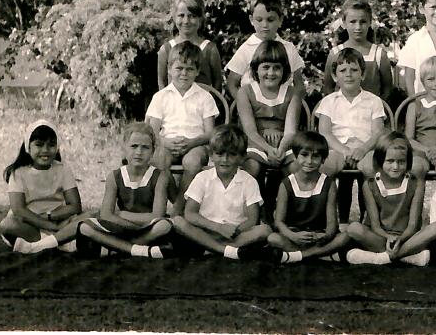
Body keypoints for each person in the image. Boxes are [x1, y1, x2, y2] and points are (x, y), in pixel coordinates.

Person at [170, 124, 272, 259]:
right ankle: (224, 250)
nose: (225, 160)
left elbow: (252, 219)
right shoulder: (202, 177)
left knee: (265, 230)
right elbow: (190, 213)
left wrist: (233, 231)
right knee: (178, 221)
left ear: (242, 157)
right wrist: (217, 228)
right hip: (206, 230)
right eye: (220, 154)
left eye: (231, 155)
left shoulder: (249, 181)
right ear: (211, 155)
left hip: (234, 233)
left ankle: (209, 248)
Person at [77, 122, 172, 258]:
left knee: (164, 225)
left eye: (145, 147)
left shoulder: (159, 177)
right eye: (134, 146)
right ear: (124, 149)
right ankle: (137, 249)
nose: (139, 152)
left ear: (152, 151)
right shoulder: (115, 176)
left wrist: (123, 215)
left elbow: (157, 215)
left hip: (147, 227)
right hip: (121, 227)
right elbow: (106, 214)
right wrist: (126, 224)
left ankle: (120, 247)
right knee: (84, 227)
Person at [145, 40, 218, 215]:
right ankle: (176, 200)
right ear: (169, 69)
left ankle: (177, 210)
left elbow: (210, 133)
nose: (184, 73)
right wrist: (166, 143)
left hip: (196, 145)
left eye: (190, 69)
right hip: (166, 143)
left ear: (197, 71)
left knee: (192, 162)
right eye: (179, 68)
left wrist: (192, 142)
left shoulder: (205, 97)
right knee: (158, 160)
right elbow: (152, 132)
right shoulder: (160, 97)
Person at [344, 132, 430, 266]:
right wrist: (388, 238)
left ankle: (381, 258)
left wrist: (400, 239)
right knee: (354, 228)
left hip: (407, 237)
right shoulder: (370, 185)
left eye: (401, 162)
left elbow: (413, 225)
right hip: (380, 237)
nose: (395, 167)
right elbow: (375, 226)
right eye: (390, 161)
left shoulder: (416, 183)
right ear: (380, 160)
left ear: (408, 162)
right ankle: (407, 256)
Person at [0, 120, 85, 254]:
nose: (45, 150)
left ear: (57, 147)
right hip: (31, 223)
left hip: (59, 220)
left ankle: (42, 244)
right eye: (39, 145)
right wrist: (49, 226)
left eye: (51, 145)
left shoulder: (63, 169)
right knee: (8, 225)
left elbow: (75, 206)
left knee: (92, 217)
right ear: (28, 147)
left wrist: (50, 217)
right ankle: (59, 242)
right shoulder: (18, 173)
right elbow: (19, 210)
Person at [267, 131, 351, 263]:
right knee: (273, 238)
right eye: (304, 155)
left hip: (319, 235)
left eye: (316, 156)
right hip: (295, 235)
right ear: (295, 156)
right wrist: (293, 236)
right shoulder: (286, 184)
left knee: (345, 237)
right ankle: (323, 255)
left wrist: (324, 236)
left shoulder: (328, 184)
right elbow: (279, 222)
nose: (309, 161)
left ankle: (298, 256)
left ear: (323, 159)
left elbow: (332, 223)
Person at [314, 47, 388, 179]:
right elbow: (325, 132)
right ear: (335, 76)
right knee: (325, 165)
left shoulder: (374, 101)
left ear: (363, 74)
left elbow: (378, 133)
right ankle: (329, 198)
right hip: (337, 150)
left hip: (366, 149)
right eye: (343, 70)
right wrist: (345, 151)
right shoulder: (328, 101)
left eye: (354, 70)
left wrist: (363, 150)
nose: (348, 74)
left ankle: (368, 198)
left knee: (372, 166)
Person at [235, 39, 303, 181]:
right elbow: (250, 130)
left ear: (284, 70)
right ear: (256, 69)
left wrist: (280, 150)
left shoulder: (292, 93)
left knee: (297, 167)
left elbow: (290, 131)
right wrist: (267, 148)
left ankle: (286, 200)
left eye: (277, 68)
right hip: (254, 143)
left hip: (284, 143)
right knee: (252, 166)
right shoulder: (246, 92)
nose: (271, 73)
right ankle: (256, 201)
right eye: (265, 67)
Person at [224, 0, 307, 101]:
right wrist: (244, 104)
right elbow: (231, 84)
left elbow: (299, 85)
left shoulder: (289, 49)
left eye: (270, 20)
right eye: (259, 20)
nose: (264, 25)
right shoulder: (246, 48)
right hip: (253, 111)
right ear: (251, 20)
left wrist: (292, 106)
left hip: (283, 111)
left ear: (280, 20)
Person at [324, 0, 394, 105]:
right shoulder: (335, 53)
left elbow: (387, 89)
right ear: (344, 23)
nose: (358, 27)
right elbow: (328, 88)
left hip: (370, 116)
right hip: (341, 115)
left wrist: (375, 108)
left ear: (370, 22)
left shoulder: (379, 55)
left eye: (363, 22)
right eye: (352, 21)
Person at [155, 0, 223, 94]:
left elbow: (217, 86)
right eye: (181, 16)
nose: (186, 21)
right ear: (174, 17)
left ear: (201, 18)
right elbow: (162, 86)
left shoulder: (210, 50)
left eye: (192, 16)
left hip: (202, 108)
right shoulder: (166, 50)